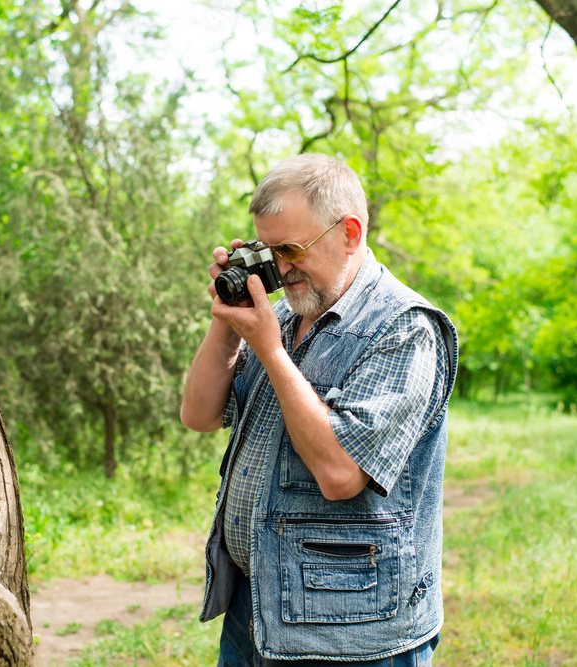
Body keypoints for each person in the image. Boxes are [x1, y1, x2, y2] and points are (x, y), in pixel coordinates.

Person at [181, 153, 458, 666]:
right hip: (258, 605)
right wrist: (227, 320)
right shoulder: (284, 314)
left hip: (353, 633)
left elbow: (340, 474)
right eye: (269, 250)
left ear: (350, 233)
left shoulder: (405, 329)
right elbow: (198, 415)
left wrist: (269, 352)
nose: (280, 269)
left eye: (291, 248)